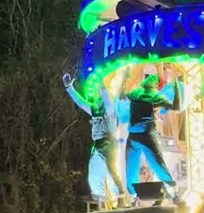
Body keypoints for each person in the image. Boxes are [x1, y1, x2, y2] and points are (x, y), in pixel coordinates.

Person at [63, 73, 130, 205]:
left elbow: (107, 99)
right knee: (94, 171)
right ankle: (99, 195)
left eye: (99, 100)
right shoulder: (94, 111)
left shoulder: (110, 112)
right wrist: (69, 87)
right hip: (98, 146)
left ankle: (120, 198)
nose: (95, 101)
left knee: (111, 171)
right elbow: (81, 102)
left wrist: (101, 82)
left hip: (108, 145)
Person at [125, 73, 182, 204]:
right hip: (136, 136)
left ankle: (174, 194)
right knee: (133, 169)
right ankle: (134, 198)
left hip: (144, 135)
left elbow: (176, 107)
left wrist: (177, 87)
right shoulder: (146, 94)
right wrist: (176, 87)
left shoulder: (147, 94)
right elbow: (176, 106)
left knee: (157, 165)